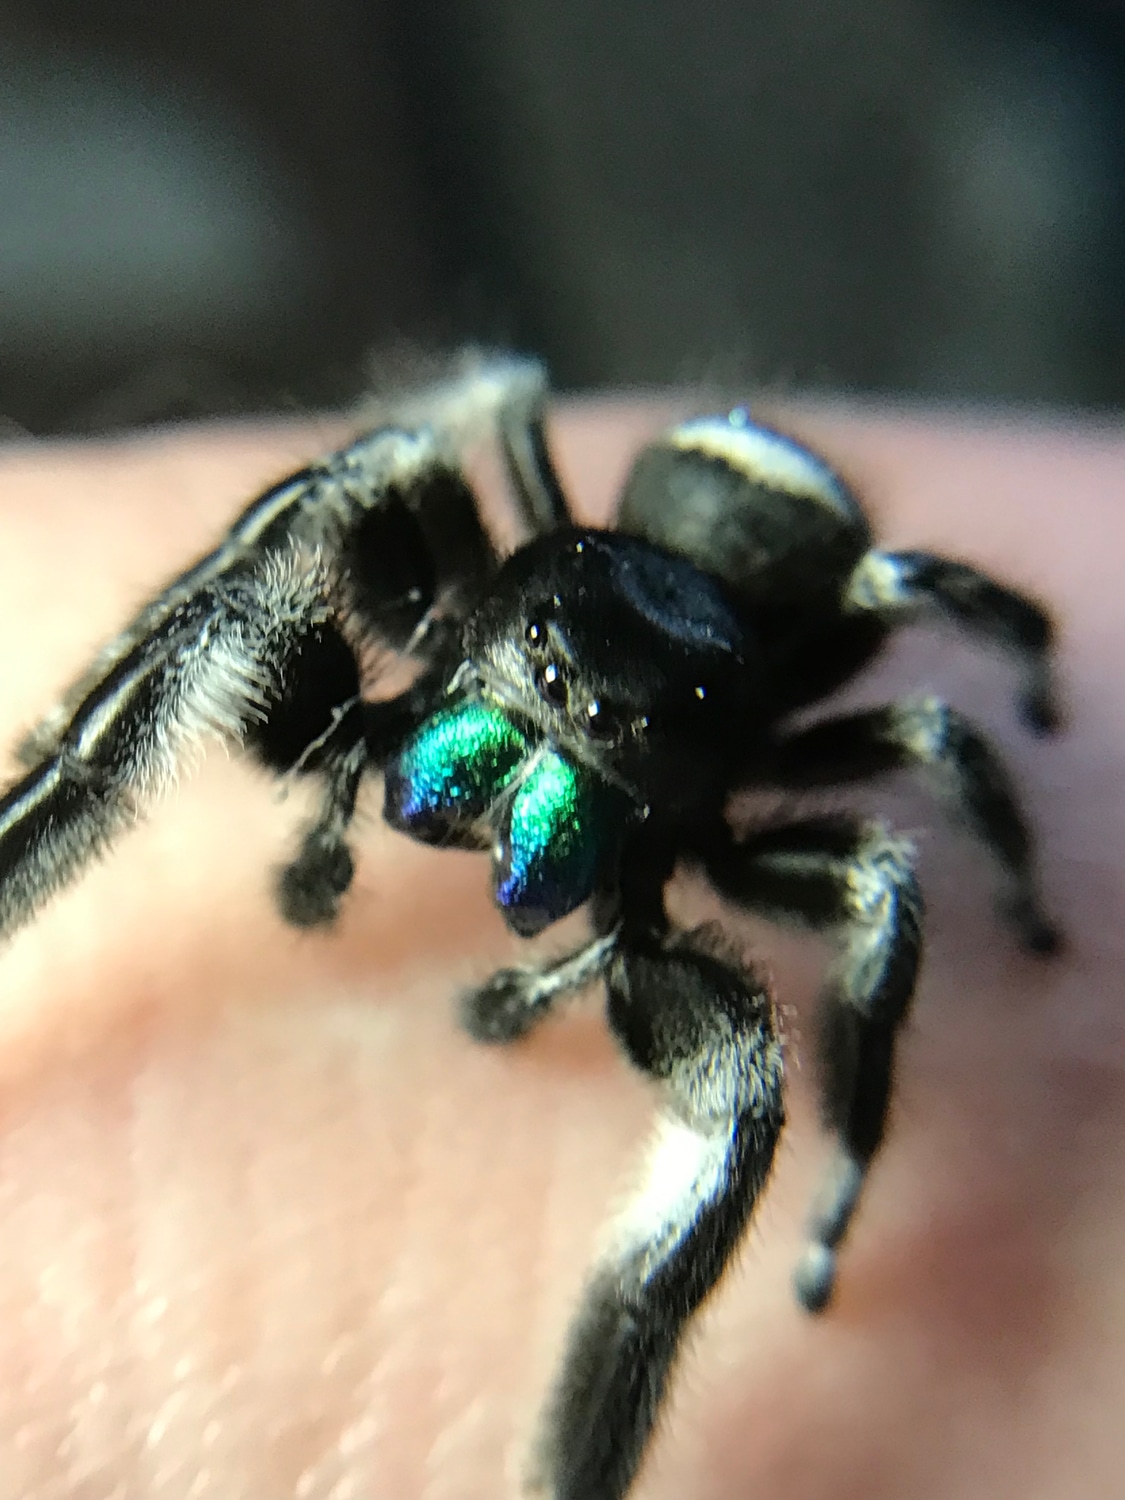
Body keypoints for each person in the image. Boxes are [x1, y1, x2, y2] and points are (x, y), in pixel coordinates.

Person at [0, 399, 1118, 1498]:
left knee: (858, 925)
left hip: (787, 556)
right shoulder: (457, 610)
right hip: (661, 520)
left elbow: (937, 745)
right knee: (273, 572)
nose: (509, 796)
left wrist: (872, 1122)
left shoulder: (809, 704)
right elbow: (407, 451)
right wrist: (83, 741)